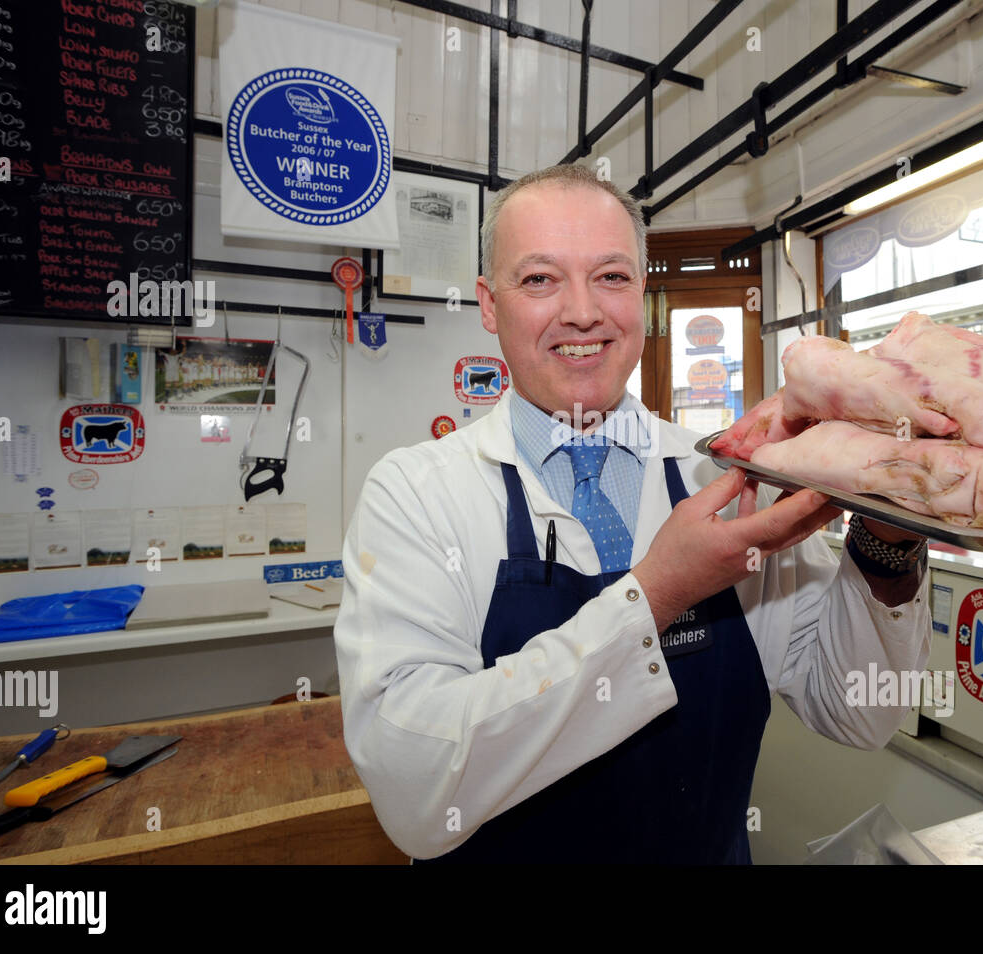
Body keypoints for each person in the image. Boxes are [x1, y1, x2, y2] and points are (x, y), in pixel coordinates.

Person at [335, 164, 932, 864]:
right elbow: (416, 792)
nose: (583, 311)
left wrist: (887, 535)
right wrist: (658, 593)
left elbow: (857, 711)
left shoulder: (728, 475)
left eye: (612, 276)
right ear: (490, 306)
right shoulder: (416, 494)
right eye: (539, 279)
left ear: (641, 297)